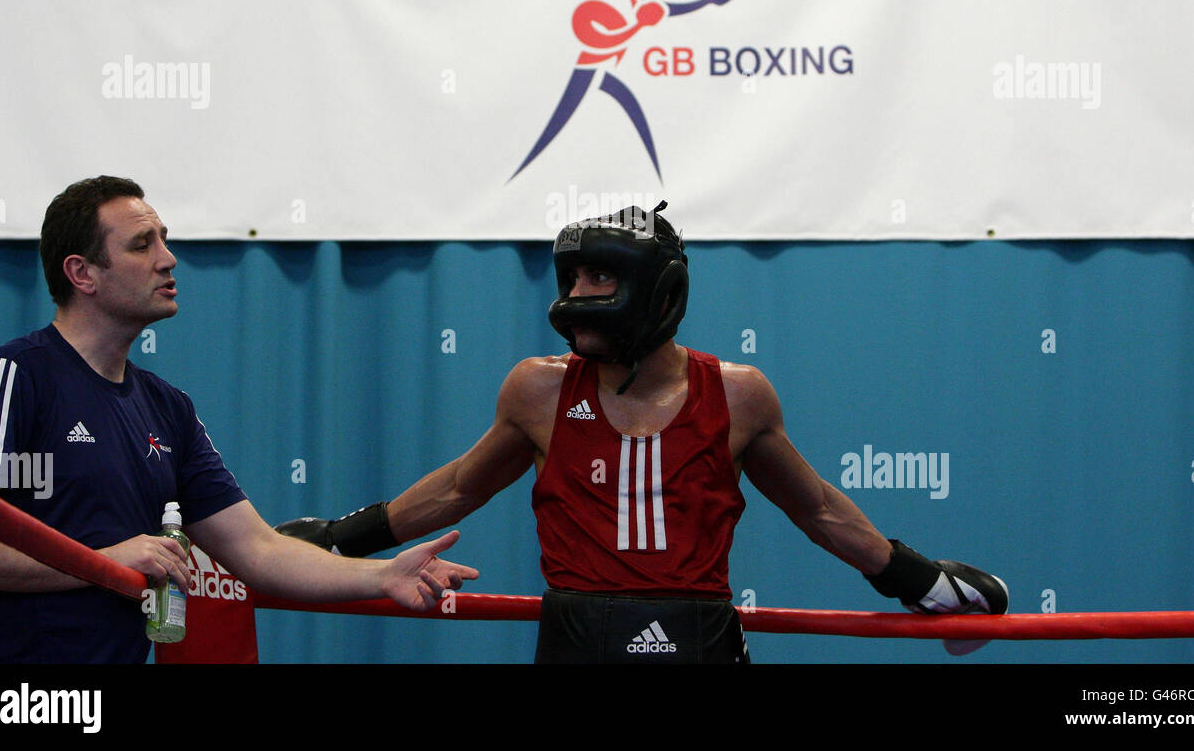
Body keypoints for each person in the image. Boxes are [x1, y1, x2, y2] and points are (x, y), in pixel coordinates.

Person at [280, 201, 1006, 663]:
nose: (578, 295)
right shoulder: (539, 388)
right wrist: (345, 540)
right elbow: (461, 486)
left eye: (601, 276)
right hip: (574, 639)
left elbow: (815, 507)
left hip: (701, 640)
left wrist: (922, 581)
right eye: (575, 277)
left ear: (660, 289)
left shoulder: (738, 396)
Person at [0, 176, 477, 663]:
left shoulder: (168, 407)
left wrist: (382, 575)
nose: (168, 259)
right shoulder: (12, 378)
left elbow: (259, 548)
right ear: (82, 273)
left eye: (164, 239)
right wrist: (105, 562)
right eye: (142, 245)